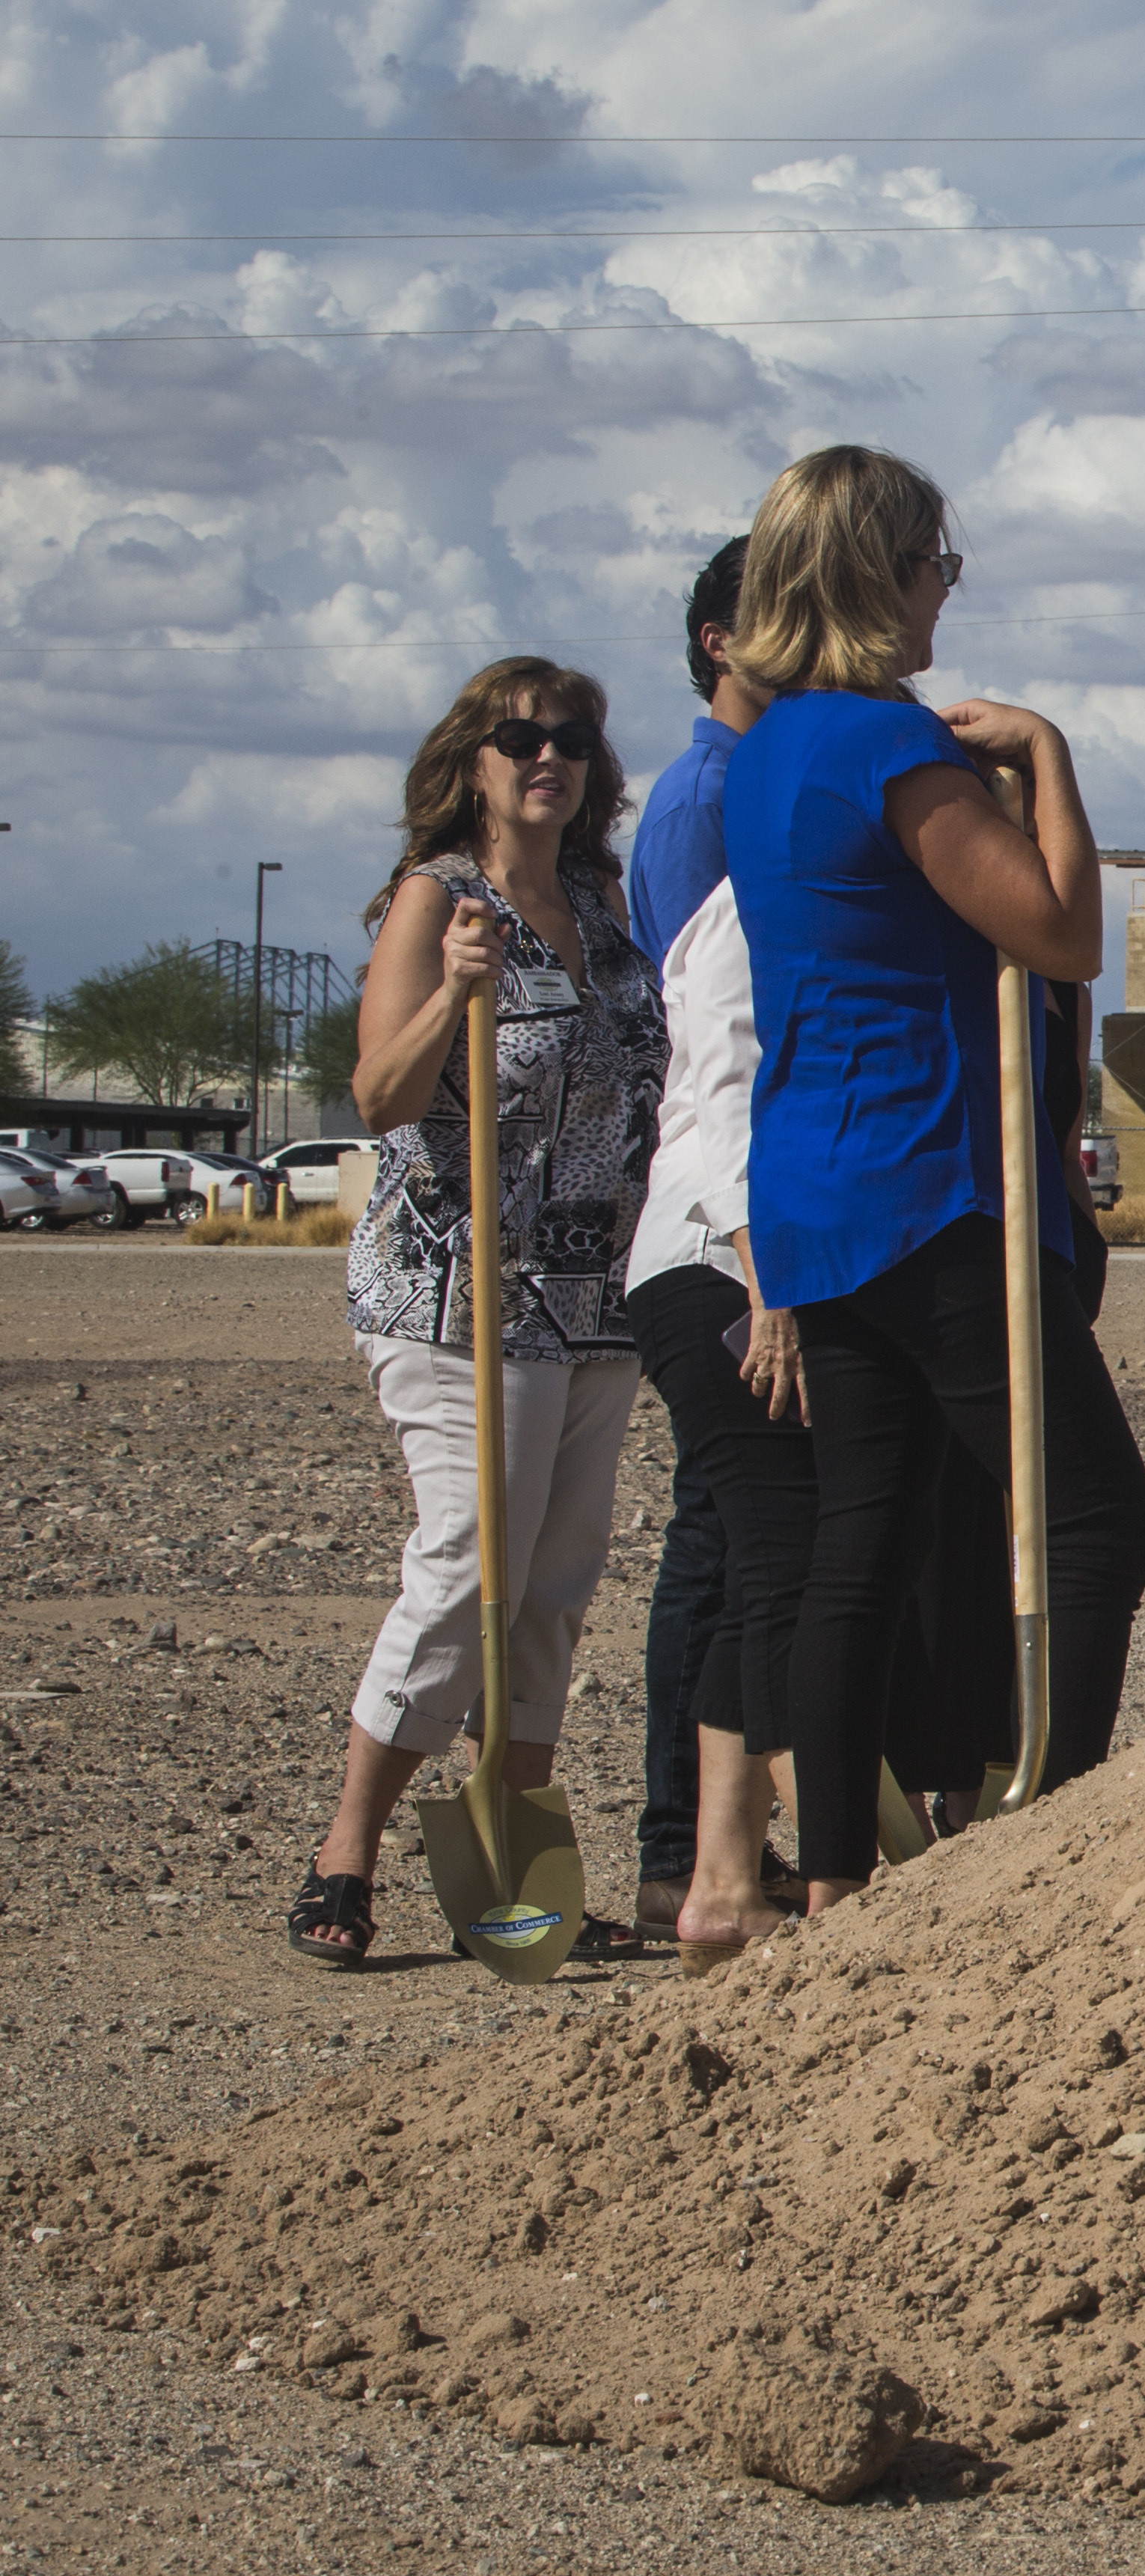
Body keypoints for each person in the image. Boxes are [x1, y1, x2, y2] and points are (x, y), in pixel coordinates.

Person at [718, 445, 1145, 1908]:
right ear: (875, 573)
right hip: (932, 1186)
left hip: (815, 1185)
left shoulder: (766, 748)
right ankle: (1056, 1829)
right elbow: (1056, 930)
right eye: (935, 559)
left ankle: (840, 1872)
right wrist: (1048, 760)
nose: (947, 585)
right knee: (1100, 1517)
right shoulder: (881, 746)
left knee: (870, 1526)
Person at [290, 657, 669, 1968]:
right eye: (519, 737)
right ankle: (347, 1850)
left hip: (594, 1299)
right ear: (473, 760)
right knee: (469, 1562)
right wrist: (458, 989)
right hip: (457, 1291)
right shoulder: (435, 900)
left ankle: (518, 1874)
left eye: (568, 738)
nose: (545, 755)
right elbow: (382, 1096)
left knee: (552, 1589)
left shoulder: (604, 905)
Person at [621, 536, 825, 1968]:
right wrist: (769, 1272)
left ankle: (710, 1852)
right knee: (742, 1549)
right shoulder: (715, 803)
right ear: (717, 639)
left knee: (740, 1536)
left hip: (724, 1225)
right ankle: (693, 1859)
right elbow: (731, 1037)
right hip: (722, 1232)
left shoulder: (751, 788)